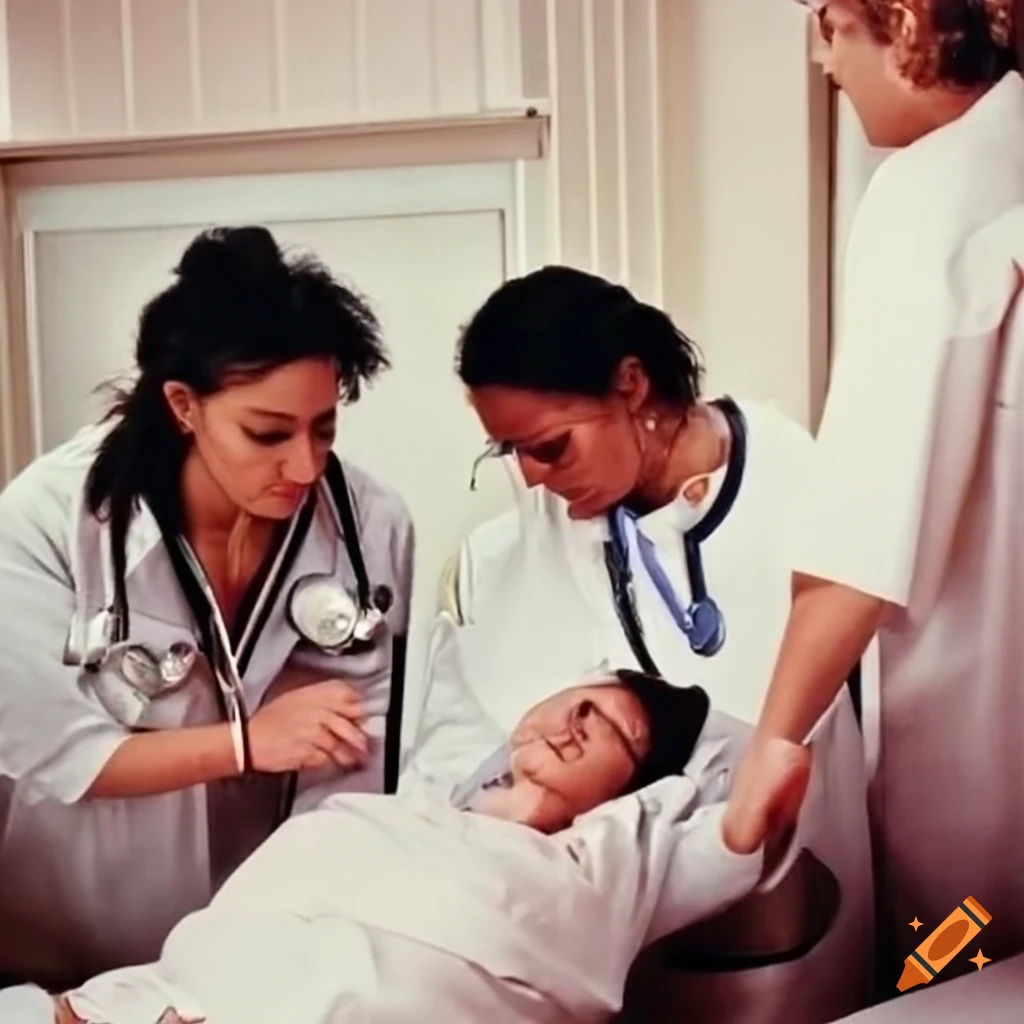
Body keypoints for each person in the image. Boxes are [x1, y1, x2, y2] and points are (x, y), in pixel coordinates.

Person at [417, 266, 873, 1023]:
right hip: (589, 960)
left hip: (791, 934)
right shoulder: (506, 559)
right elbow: (447, 771)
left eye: (552, 447)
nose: (533, 479)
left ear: (631, 386)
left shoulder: (808, 495)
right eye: (511, 452)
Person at [0, 226, 415, 988]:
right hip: (63, 943)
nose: (305, 465)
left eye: (324, 427)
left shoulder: (369, 524)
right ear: (184, 405)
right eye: (267, 433)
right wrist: (244, 744)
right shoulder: (45, 521)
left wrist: (310, 924)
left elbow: (360, 748)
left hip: (266, 947)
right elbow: (57, 754)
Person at [724, 0, 1024, 995]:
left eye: (825, 23)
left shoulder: (929, 196)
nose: (820, 61)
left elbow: (863, 526)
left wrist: (775, 739)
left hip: (976, 794)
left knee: (953, 966)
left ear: (897, 23)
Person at [1, 670, 812, 1024]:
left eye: (608, 730)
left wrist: (770, 755)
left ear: (633, 785)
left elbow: (741, 822)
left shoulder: (609, 861)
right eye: (572, 704)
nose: (571, 726)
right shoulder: (388, 815)